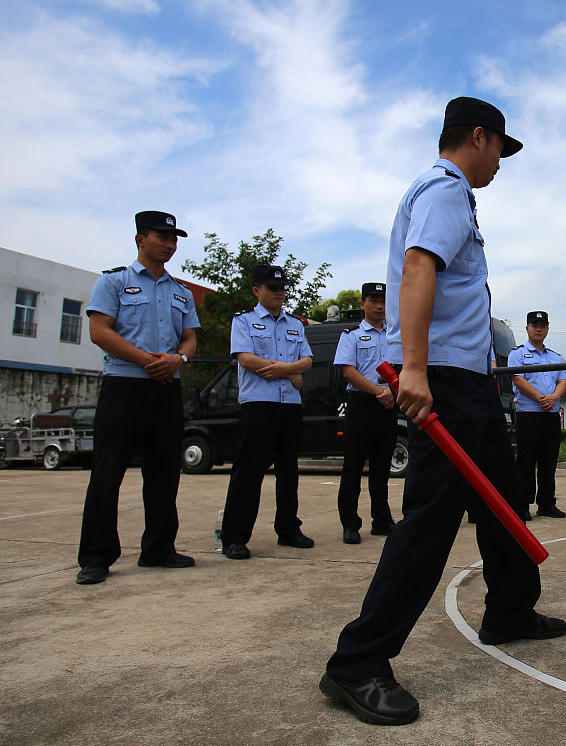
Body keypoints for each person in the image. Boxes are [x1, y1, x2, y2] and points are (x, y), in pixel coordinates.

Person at [321, 97, 564, 726]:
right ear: (477, 138)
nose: (499, 166)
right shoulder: (444, 187)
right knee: (430, 519)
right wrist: (418, 370)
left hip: (471, 382)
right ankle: (358, 661)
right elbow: (418, 270)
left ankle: (509, 611)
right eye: (500, 152)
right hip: (446, 382)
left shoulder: (453, 193)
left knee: (504, 501)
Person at [76, 211, 198, 585]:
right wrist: (148, 360)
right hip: (124, 386)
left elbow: (190, 338)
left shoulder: (182, 292)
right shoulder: (114, 282)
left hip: (165, 389)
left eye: (174, 238)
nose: (169, 243)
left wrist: (179, 358)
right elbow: (100, 331)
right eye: (162, 236)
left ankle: (159, 548)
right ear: (140, 239)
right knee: (107, 471)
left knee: (164, 472)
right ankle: (97, 556)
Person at [219, 264, 315, 560]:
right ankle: (234, 537)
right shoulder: (244, 321)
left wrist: (284, 371)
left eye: (282, 288)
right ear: (256, 291)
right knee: (249, 471)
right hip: (258, 404)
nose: (279, 293)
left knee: (289, 470)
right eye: (272, 288)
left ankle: (288, 529)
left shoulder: (295, 324)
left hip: (289, 405)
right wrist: (291, 372)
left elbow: (307, 361)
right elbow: (246, 359)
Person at [334, 282, 397, 544]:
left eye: (383, 300)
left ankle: (381, 520)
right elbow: (348, 371)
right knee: (353, 467)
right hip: (362, 404)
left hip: (389, 404)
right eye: (373, 300)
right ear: (363, 304)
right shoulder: (351, 335)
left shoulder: (396, 335)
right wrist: (377, 391)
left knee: (382, 468)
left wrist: (391, 393)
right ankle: (350, 523)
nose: (379, 305)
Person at [509, 311, 566, 518]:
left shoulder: (556, 357)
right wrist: (540, 398)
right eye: (534, 324)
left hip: (550, 415)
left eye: (542, 325)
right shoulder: (517, 354)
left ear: (548, 328)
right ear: (527, 328)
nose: (538, 328)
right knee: (526, 461)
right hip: (528, 414)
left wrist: (553, 398)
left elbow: (562, 381)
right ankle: (522, 505)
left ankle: (546, 504)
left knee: (548, 461)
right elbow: (518, 379)